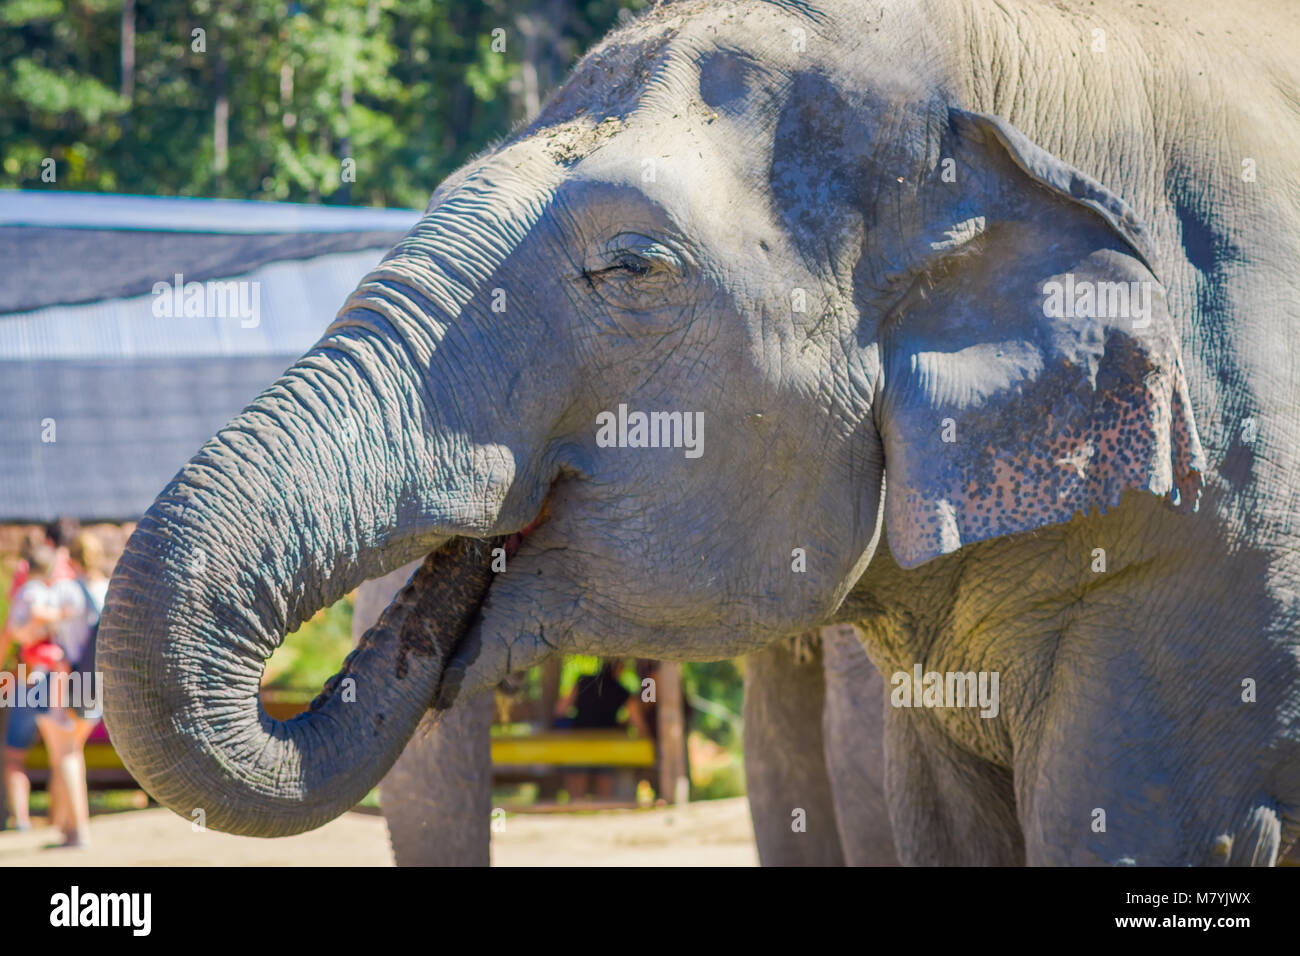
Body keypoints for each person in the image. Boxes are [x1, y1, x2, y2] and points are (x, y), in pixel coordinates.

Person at [35, 531, 106, 847]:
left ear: (70, 558)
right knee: (71, 749)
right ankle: (65, 826)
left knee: (66, 753)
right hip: (96, 682)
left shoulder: (66, 590)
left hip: (67, 680)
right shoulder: (107, 589)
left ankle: (79, 831)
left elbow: (38, 622)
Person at [0, 544, 76, 834]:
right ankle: (61, 818)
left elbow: (16, 628)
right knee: (60, 750)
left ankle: (21, 819)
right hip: (53, 674)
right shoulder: (55, 592)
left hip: (30, 677)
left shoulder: (29, 592)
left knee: (14, 754)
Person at [552, 659, 651, 800]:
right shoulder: (621, 690)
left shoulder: (583, 681)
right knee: (605, 788)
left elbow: (560, 709)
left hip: (578, 740)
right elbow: (638, 723)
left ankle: (575, 808)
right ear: (620, 668)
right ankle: (603, 810)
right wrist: (648, 741)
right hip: (607, 744)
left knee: (576, 792)